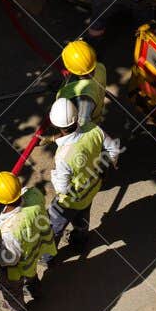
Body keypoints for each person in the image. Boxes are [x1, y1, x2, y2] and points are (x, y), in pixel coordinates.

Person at [47, 96, 121, 248]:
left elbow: (62, 189)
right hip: (90, 191)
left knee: (53, 227)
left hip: (68, 202)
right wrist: (103, 167)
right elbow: (114, 149)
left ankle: (48, 255)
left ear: (55, 124)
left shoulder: (62, 156)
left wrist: (53, 172)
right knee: (82, 220)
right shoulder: (94, 129)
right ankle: (80, 242)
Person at [0, 171, 56, 311]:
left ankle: (17, 309)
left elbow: (9, 258)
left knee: (12, 290)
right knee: (32, 275)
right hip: (33, 253)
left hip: (16, 268)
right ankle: (36, 291)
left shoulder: (8, 229)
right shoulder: (34, 195)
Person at [56, 39, 107, 129]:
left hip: (91, 124)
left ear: (69, 68)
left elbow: (82, 126)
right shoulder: (100, 67)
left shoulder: (85, 99)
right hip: (97, 112)